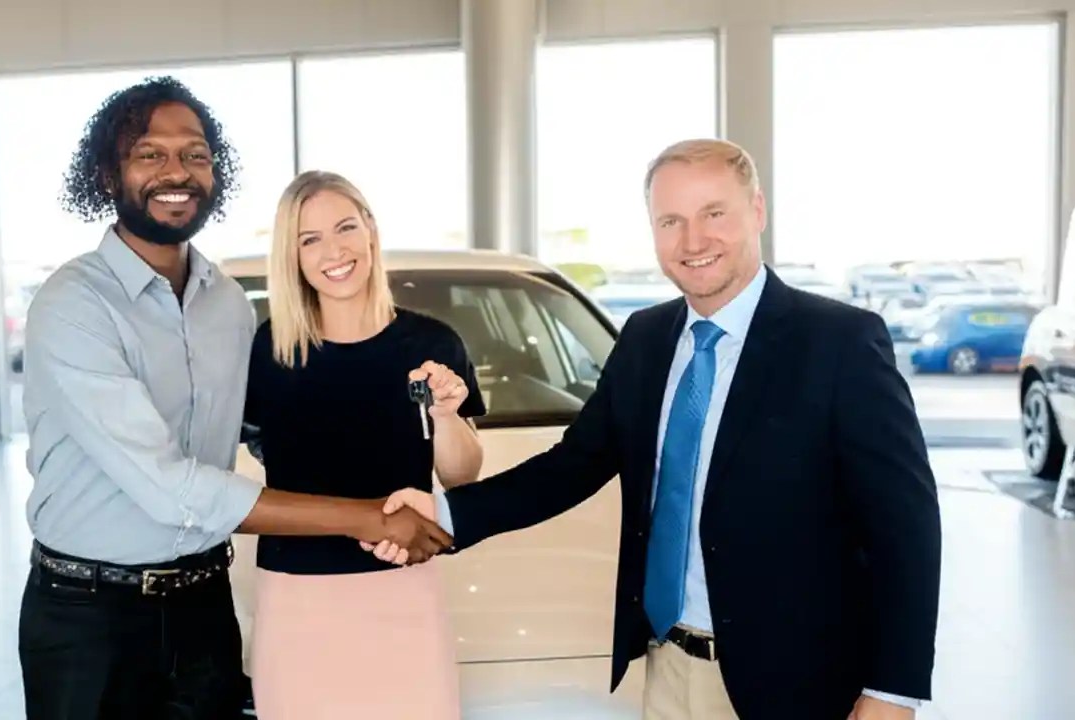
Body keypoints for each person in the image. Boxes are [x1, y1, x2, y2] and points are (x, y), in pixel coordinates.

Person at [375, 139, 941, 719]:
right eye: (671, 221)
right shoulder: (646, 338)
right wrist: (444, 514)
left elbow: (907, 527)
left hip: (799, 679)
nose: (693, 241)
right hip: (667, 663)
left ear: (758, 211)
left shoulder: (839, 344)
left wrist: (891, 691)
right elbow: (571, 466)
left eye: (714, 214)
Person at [17, 78, 451, 720]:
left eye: (194, 154)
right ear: (110, 173)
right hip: (90, 616)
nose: (177, 172)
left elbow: (266, 429)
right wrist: (367, 517)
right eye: (150, 154)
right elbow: (169, 488)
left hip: (203, 605)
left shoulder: (227, 304)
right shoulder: (73, 306)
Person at [244, 170, 485, 719]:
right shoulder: (270, 350)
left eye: (346, 227)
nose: (335, 250)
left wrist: (447, 416)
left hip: (404, 587)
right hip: (295, 594)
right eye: (310, 239)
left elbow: (462, 477)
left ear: (371, 230)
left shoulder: (432, 342)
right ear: (293, 256)